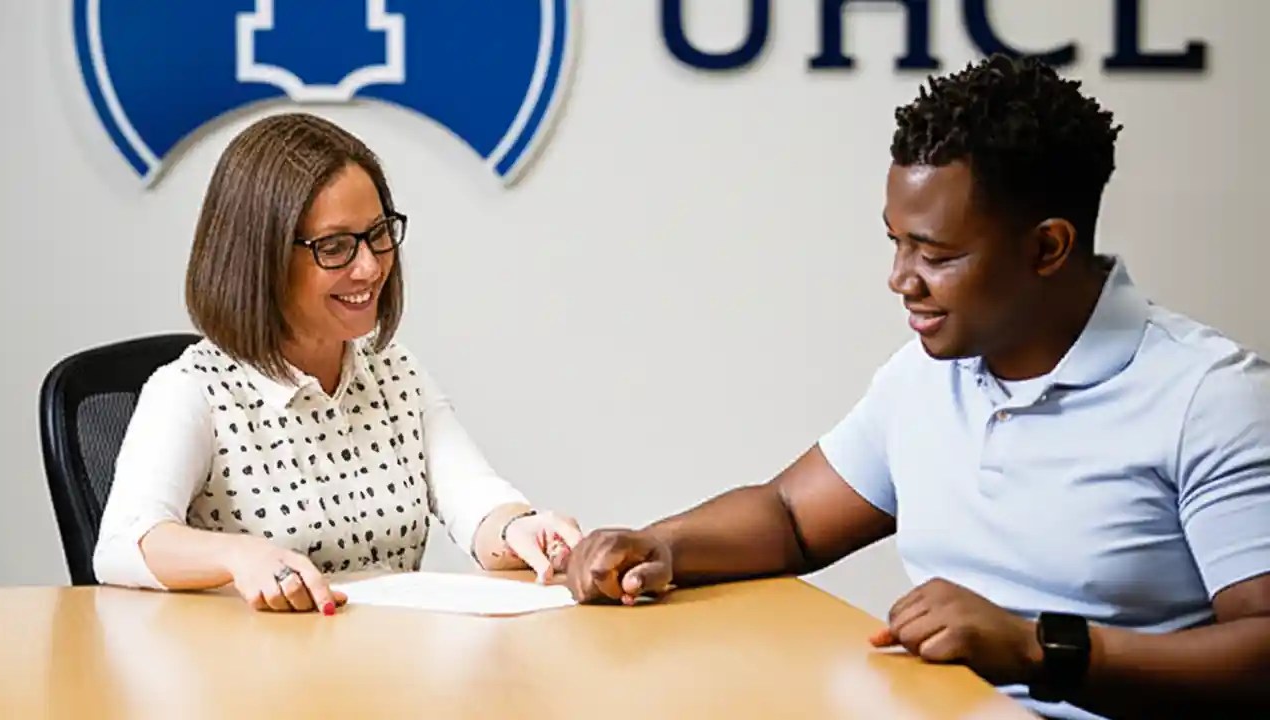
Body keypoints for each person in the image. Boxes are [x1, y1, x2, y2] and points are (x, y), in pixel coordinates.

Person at [563, 55, 1270, 719]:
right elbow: (790, 517)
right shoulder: (925, 374)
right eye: (897, 243)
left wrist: (1037, 647)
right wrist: (657, 546)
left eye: (935, 254)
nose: (901, 278)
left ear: (1048, 247)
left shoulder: (1209, 398)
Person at [94, 113, 582, 615]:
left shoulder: (395, 372)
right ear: (259, 258)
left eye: (378, 234)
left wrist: (517, 528)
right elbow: (122, 546)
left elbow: (474, 499)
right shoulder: (191, 390)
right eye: (334, 247)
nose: (370, 267)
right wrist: (240, 556)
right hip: (251, 681)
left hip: (386, 671)